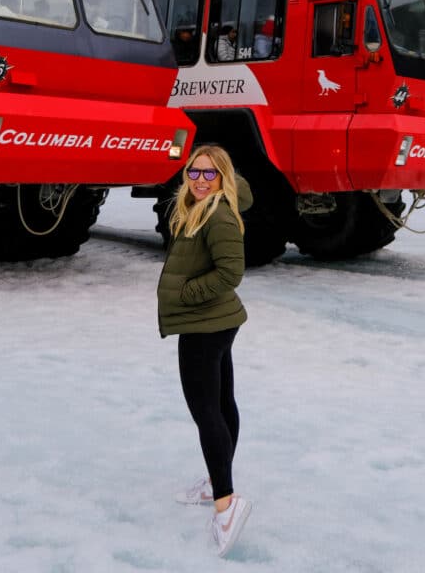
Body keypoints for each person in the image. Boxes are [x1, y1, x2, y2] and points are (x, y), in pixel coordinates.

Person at [157, 145, 253, 558]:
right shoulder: (202, 206)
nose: (199, 180)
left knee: (206, 412)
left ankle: (225, 504)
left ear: (223, 178)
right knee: (220, 401)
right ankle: (218, 481)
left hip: (204, 324)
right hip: (217, 322)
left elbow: (232, 272)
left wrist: (186, 294)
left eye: (210, 174)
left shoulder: (218, 214)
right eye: (194, 172)